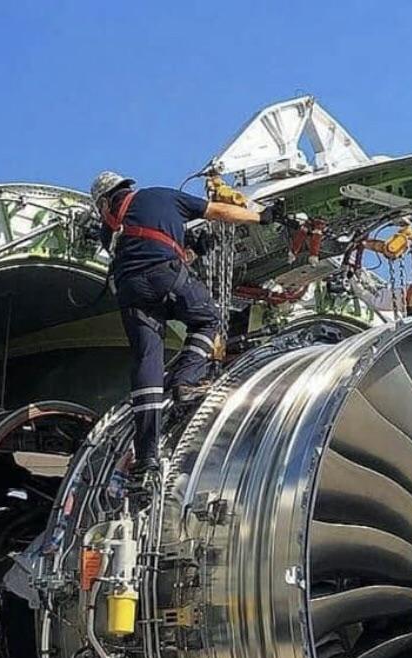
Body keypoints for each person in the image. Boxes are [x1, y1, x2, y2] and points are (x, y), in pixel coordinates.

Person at [88, 170, 280, 473]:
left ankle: (147, 455)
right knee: (208, 320)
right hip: (165, 275)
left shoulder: (107, 228)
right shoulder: (160, 195)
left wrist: (191, 249)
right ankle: (185, 381)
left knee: (146, 359)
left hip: (130, 291)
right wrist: (261, 217)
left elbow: (145, 246)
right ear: (125, 186)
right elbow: (218, 211)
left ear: (104, 201)